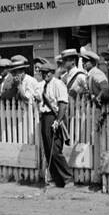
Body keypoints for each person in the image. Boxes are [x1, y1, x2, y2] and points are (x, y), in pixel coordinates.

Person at [36, 59, 72, 187]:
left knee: (55, 150)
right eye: (43, 73)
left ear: (52, 73)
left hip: (55, 117)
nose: (45, 75)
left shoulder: (58, 84)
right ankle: (56, 180)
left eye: (48, 73)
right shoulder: (42, 85)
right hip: (45, 117)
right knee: (47, 150)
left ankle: (68, 178)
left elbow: (63, 104)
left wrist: (58, 121)